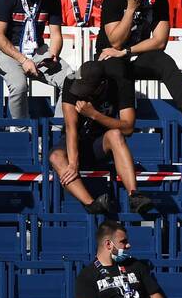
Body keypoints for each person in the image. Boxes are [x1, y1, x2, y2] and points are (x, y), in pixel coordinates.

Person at [48, 61, 155, 217]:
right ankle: (92, 205)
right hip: (75, 140)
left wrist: (94, 115)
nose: (81, 94)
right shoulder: (71, 80)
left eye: (86, 91)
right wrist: (73, 163)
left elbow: (128, 128)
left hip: (100, 143)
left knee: (116, 134)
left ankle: (134, 196)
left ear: (101, 85)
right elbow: (71, 127)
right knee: (55, 157)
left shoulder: (121, 83)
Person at [0, 0, 77, 119]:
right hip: (11, 51)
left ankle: (57, 129)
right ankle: (21, 131)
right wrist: (23, 60)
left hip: (39, 50)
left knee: (71, 80)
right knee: (19, 86)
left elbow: (56, 34)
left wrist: (53, 55)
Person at [74, 221, 168, 298]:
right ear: (108, 244)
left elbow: (155, 294)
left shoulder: (135, 265)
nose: (128, 245)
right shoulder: (87, 274)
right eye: (123, 241)